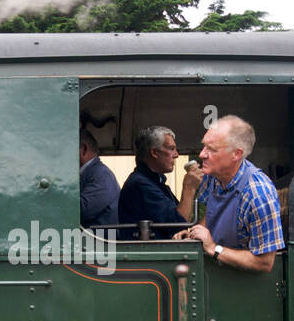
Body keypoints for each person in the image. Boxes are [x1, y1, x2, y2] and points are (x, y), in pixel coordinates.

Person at [175, 115, 283, 272]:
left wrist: (214, 248)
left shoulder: (258, 194)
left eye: (212, 149)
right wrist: (193, 233)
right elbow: (211, 217)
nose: (202, 154)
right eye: (204, 146)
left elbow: (265, 263)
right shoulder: (212, 175)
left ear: (236, 154)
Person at [117, 126, 203, 239]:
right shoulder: (140, 186)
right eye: (171, 149)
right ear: (154, 152)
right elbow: (180, 224)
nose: (176, 155)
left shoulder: (154, 183)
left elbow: (179, 222)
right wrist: (189, 188)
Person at [79, 129, 119, 229]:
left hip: (100, 241)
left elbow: (79, 211)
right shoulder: (90, 173)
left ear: (83, 150)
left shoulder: (101, 175)